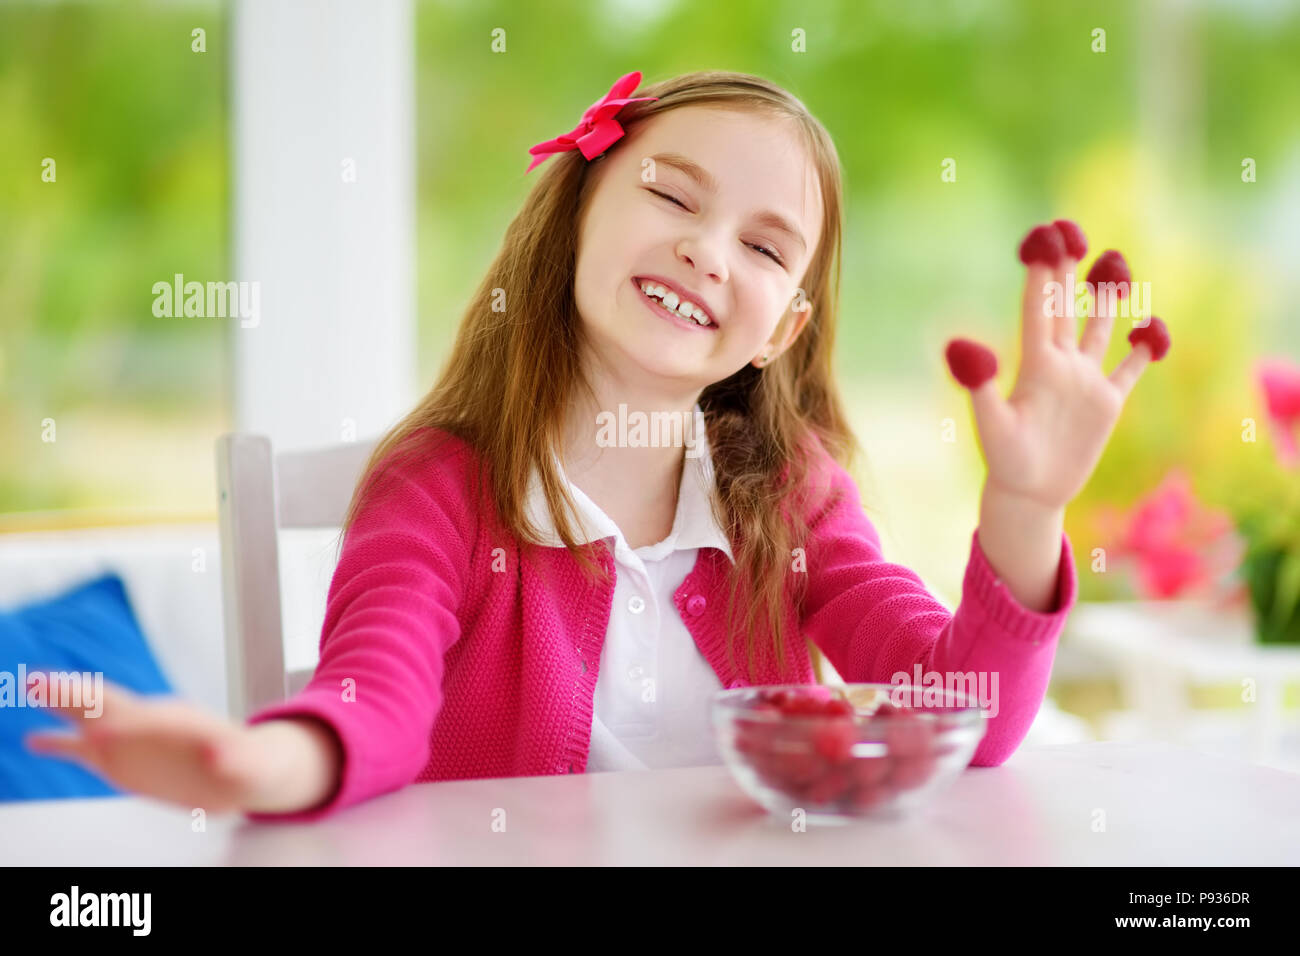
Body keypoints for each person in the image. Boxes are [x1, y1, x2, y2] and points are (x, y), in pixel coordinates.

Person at [26, 70, 1162, 822]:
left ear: (785, 331)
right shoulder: (438, 487)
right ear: (576, 209)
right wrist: (252, 764)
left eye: (767, 249)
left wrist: (1023, 512)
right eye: (672, 193)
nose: (709, 252)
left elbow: (960, 714)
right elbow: (370, 701)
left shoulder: (792, 495)